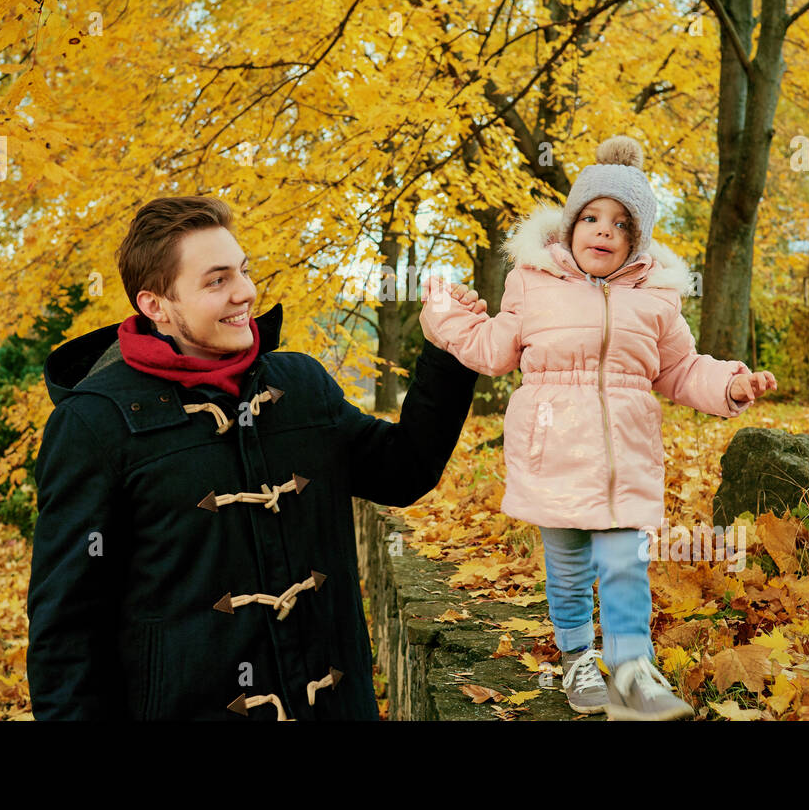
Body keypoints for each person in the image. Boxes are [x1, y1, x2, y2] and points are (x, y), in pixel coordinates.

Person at [26, 195, 484, 719]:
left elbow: (404, 471)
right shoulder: (94, 424)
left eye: (242, 271)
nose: (245, 292)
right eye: (216, 280)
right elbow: (66, 631)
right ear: (155, 306)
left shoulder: (301, 385)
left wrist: (447, 351)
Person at [418, 135, 777, 720]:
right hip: (552, 457)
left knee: (623, 560)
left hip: (626, 461)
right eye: (591, 217)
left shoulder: (655, 300)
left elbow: (681, 369)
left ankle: (634, 666)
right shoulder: (533, 284)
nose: (603, 231)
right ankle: (578, 654)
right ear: (570, 224)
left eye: (620, 223)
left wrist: (731, 384)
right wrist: (444, 312)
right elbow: (491, 348)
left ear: (637, 241)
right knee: (567, 569)